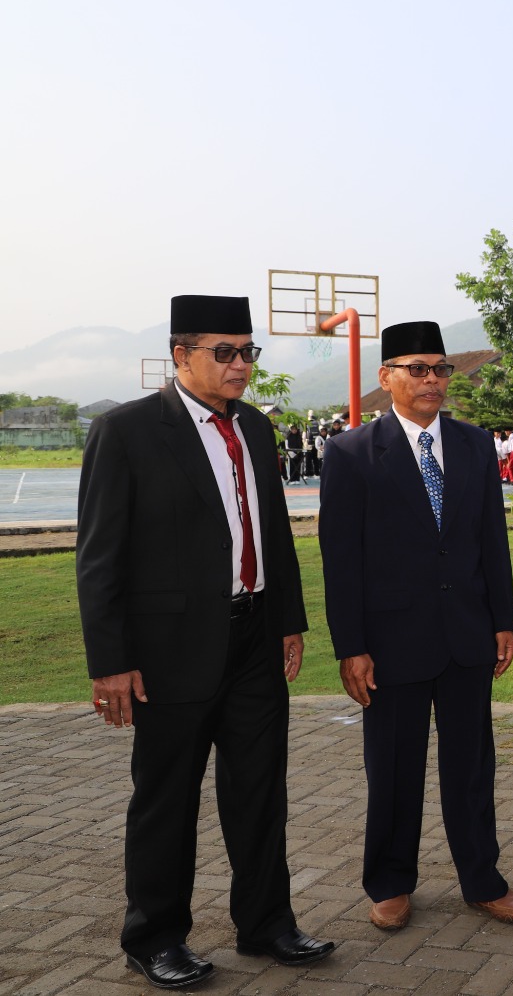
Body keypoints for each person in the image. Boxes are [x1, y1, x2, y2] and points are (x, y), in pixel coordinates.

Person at [78, 295, 333, 989]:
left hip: (253, 637)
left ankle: (267, 923)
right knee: (166, 799)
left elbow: (274, 534)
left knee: (259, 790)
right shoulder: (125, 431)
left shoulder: (254, 427)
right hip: (167, 651)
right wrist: (111, 661)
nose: (241, 365)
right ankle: (154, 936)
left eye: (248, 351)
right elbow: (100, 557)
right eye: (225, 352)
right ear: (180, 354)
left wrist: (288, 619)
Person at [320, 321, 513, 931]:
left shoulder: (472, 444)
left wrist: (502, 620)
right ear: (386, 377)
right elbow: (342, 561)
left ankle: (482, 879)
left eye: (440, 368)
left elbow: (491, 539)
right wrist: (352, 647)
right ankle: (390, 881)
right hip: (391, 643)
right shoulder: (351, 452)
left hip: (466, 633)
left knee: (471, 768)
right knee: (392, 768)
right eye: (417, 368)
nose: (432, 379)